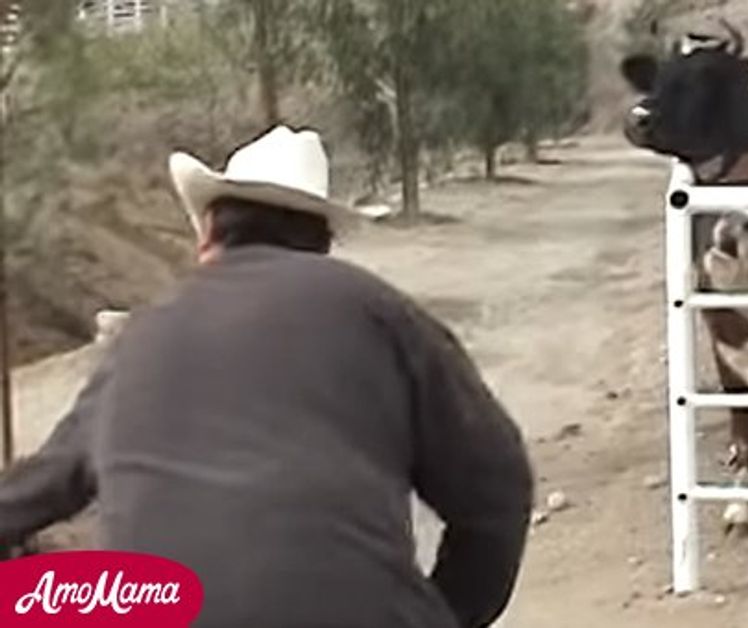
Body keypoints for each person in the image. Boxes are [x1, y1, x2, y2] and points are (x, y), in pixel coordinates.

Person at [0, 125, 534, 628]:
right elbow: (499, 490)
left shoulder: (141, 336)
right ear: (321, 243)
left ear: (208, 231)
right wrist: (445, 614)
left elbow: (42, 486)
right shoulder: (377, 310)